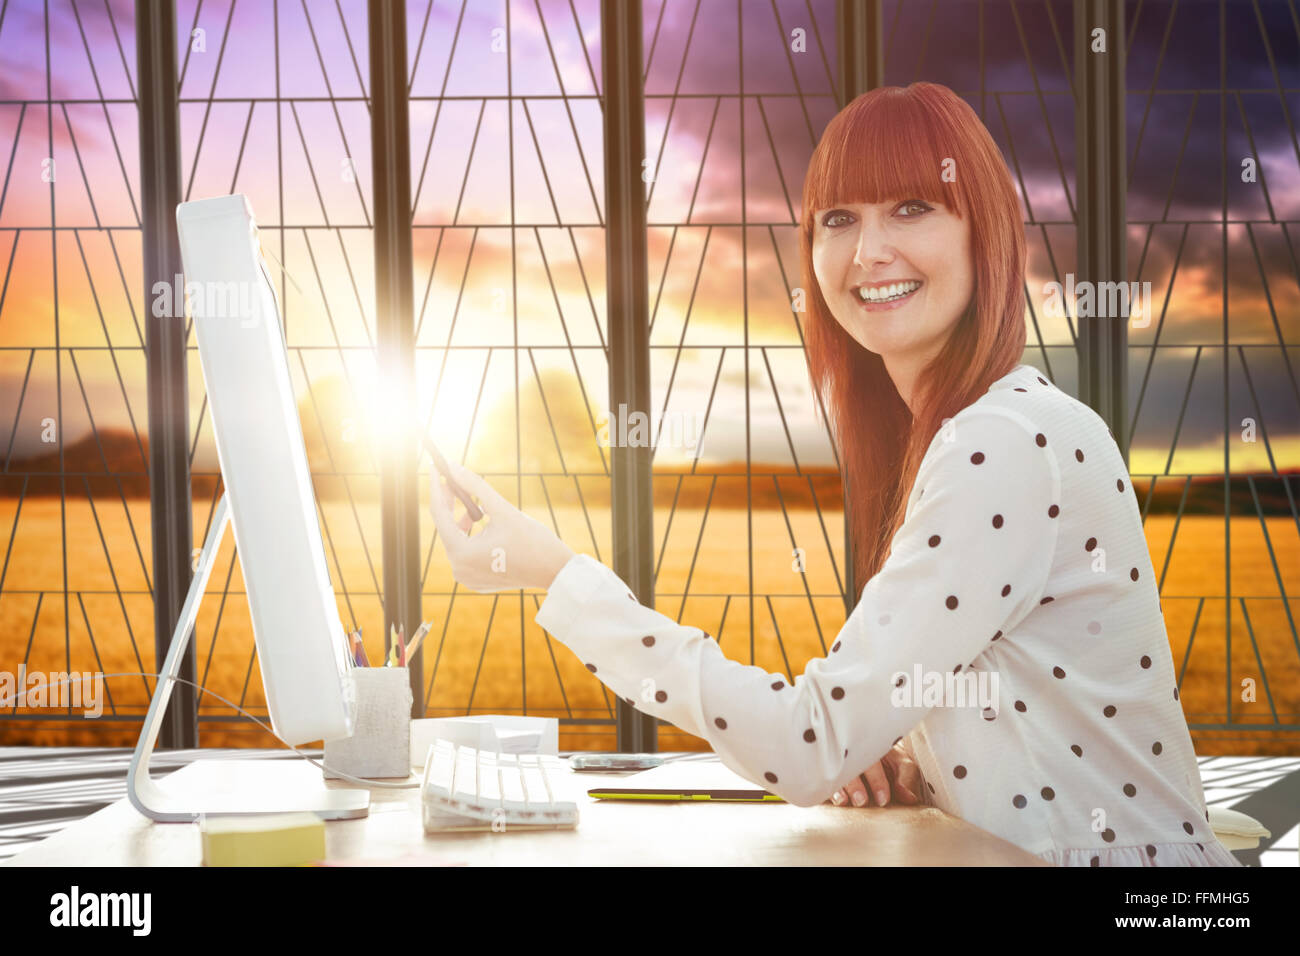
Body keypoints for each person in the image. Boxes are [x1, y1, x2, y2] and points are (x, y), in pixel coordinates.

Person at [430, 82, 1239, 867]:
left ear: (983, 232)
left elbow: (806, 745)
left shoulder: (1004, 443)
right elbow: (1000, 722)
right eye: (838, 219)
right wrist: (906, 750)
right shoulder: (996, 426)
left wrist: (558, 575)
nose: (868, 251)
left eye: (911, 208)